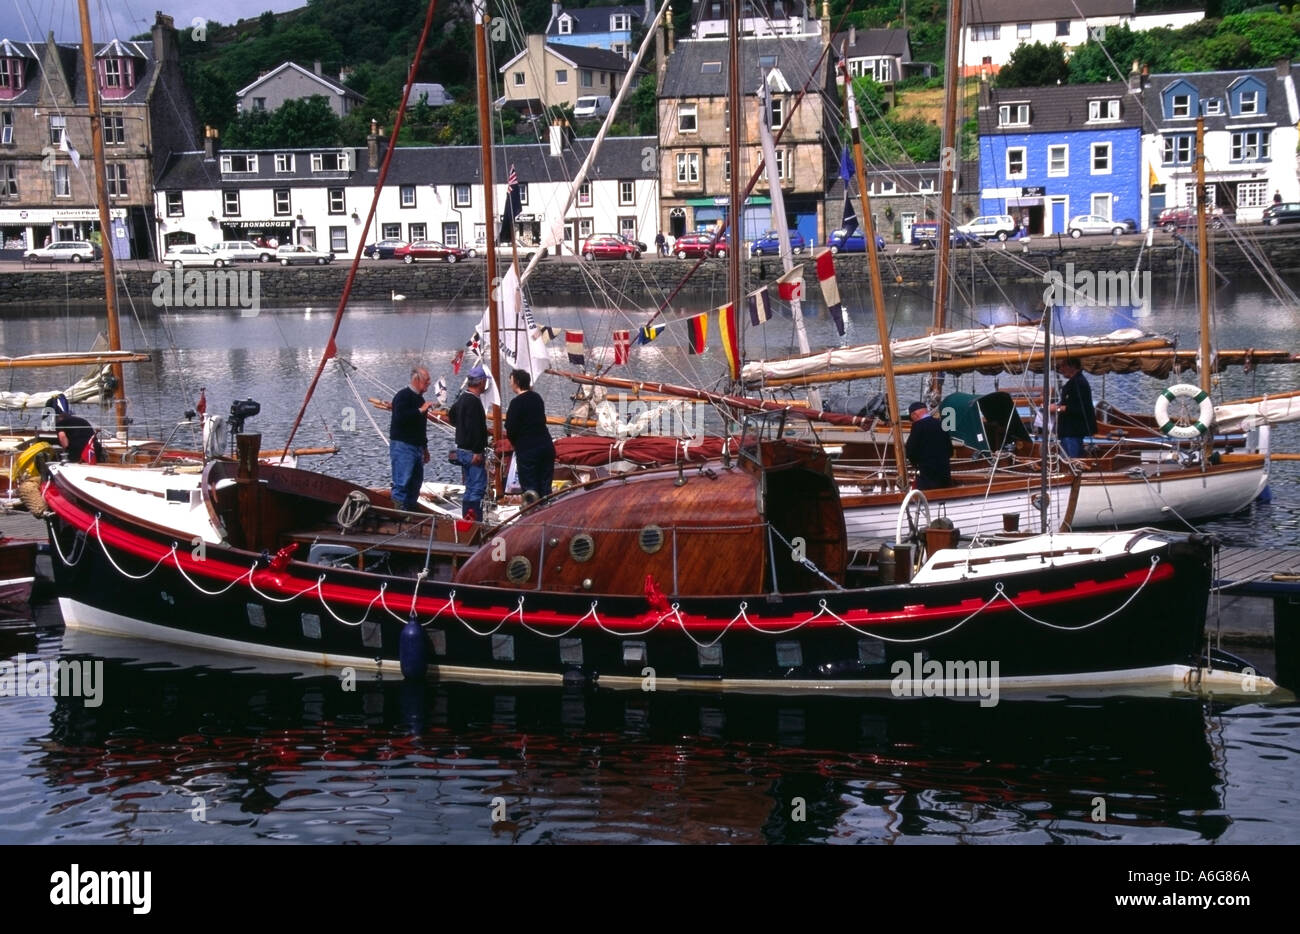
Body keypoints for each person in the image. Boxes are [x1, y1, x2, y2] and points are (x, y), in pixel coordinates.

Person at [505, 369, 555, 503]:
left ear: (517, 382)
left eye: (511, 381)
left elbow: (510, 428)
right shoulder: (537, 398)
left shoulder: (516, 403)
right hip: (545, 445)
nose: (510, 385)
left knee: (530, 489)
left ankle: (534, 515)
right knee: (545, 487)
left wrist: (517, 444)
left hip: (528, 450)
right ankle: (547, 511)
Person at [447, 364, 489, 520]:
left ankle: (467, 519)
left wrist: (461, 428)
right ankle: (475, 522)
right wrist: (478, 451)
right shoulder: (473, 402)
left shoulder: (463, 398)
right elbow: (476, 428)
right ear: (481, 382)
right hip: (472, 452)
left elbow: (452, 416)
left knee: (469, 488)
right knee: (477, 488)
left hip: (462, 450)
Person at [389, 366, 433, 511]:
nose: (429, 383)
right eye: (427, 381)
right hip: (403, 445)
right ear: (417, 380)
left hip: (417, 447)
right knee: (402, 480)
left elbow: (421, 427)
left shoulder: (421, 399)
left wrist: (425, 448)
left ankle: (411, 511)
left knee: (416, 482)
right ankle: (399, 512)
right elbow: (400, 418)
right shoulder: (403, 396)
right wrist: (420, 411)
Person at [1052, 357, 1097, 458]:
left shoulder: (1079, 383)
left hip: (1072, 432)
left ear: (1072, 366)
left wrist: (1057, 409)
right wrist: (1057, 406)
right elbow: (1070, 403)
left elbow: (1079, 408)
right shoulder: (1074, 382)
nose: (1060, 369)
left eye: (1063, 366)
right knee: (1067, 459)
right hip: (1068, 431)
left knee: (1071, 461)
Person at [904, 401, 952, 490]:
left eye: (912, 418)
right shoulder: (941, 424)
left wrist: (914, 463)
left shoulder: (918, 426)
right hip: (945, 475)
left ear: (915, 415)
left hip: (927, 477)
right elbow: (950, 450)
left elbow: (910, 450)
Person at [46, 394, 103, 463]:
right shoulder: (81, 420)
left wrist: (65, 449)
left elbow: (63, 438)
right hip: (94, 448)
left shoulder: (60, 423)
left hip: (78, 451)